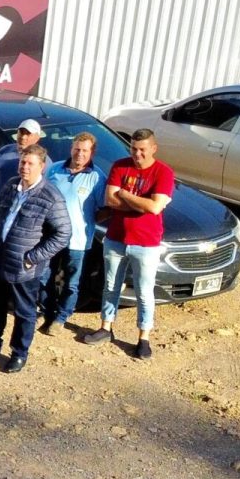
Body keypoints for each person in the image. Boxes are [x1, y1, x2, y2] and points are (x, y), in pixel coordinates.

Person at [81, 128, 175, 360]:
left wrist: (125, 194)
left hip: (146, 243)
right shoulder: (120, 166)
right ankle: (106, 327)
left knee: (144, 291)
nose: (137, 154)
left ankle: (143, 337)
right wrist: (140, 203)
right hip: (115, 238)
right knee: (111, 285)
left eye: (142, 149)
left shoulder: (163, 172)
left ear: (153, 148)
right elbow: (110, 200)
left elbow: (155, 207)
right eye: (133, 148)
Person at [0, 144, 72, 373]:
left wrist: (33, 257)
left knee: (24, 312)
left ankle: (19, 353)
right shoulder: (11, 185)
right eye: (22, 162)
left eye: (30, 163)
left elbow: (63, 233)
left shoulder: (50, 196)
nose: (25, 167)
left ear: (42, 166)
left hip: (24, 267)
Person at [43, 132, 106, 333]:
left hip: (78, 240)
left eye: (85, 151)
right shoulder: (54, 170)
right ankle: (46, 312)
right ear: (71, 148)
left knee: (72, 282)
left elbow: (106, 208)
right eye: (77, 149)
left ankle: (61, 317)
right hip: (50, 236)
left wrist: (88, 220)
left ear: (92, 152)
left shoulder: (97, 178)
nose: (80, 154)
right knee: (45, 276)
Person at [0, 119, 44, 208]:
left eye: (28, 134)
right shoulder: (4, 151)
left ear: (37, 138)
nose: (23, 137)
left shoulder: (42, 161)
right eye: (21, 132)